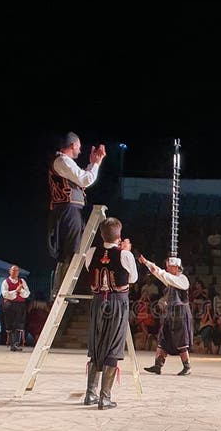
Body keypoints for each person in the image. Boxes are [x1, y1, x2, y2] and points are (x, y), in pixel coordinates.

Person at [86, 217, 137, 409]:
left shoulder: (91, 252)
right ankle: (104, 397)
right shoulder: (125, 255)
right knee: (113, 345)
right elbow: (132, 278)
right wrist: (126, 252)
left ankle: (90, 394)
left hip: (98, 301)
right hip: (118, 302)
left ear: (101, 234)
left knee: (96, 343)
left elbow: (88, 269)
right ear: (119, 235)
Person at [47, 132, 106, 299]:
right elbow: (85, 179)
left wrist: (92, 164)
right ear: (73, 145)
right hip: (68, 210)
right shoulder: (62, 161)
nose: (80, 150)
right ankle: (60, 289)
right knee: (71, 250)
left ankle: (61, 288)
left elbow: (82, 179)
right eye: (79, 146)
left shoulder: (65, 163)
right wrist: (96, 164)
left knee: (72, 249)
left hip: (70, 209)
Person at [139, 254, 193, 376]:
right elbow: (160, 274)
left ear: (177, 267)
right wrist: (147, 263)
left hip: (180, 313)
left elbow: (165, 275)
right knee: (163, 338)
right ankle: (158, 365)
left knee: (180, 339)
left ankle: (187, 366)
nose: (168, 268)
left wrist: (158, 271)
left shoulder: (182, 279)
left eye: (170, 266)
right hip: (170, 313)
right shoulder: (171, 279)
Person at [0, 265, 30, 351]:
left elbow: (27, 293)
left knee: (19, 324)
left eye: (17, 270)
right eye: (13, 270)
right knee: (11, 324)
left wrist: (21, 291)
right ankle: (12, 343)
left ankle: (16, 343)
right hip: (9, 305)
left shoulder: (22, 281)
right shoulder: (5, 282)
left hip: (20, 305)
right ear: (10, 271)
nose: (15, 272)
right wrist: (15, 291)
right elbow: (5, 294)